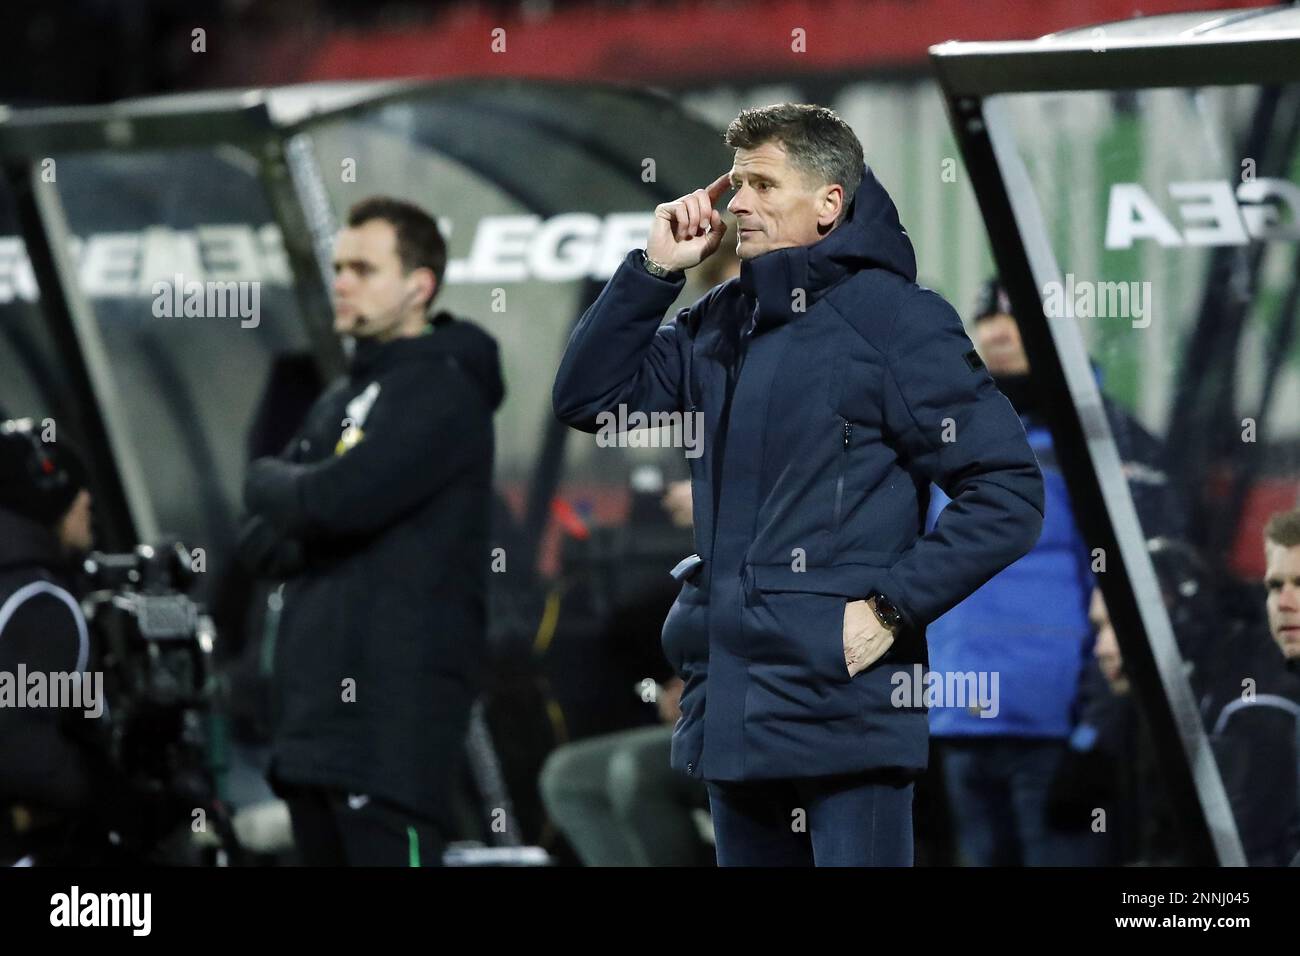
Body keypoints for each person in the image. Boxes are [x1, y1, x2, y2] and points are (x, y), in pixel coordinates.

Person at [553, 104, 1043, 866]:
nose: (737, 202)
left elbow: (1008, 492)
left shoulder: (899, 323)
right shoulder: (720, 319)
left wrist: (891, 606)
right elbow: (589, 401)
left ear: (829, 203)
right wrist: (651, 274)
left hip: (843, 711)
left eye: (761, 184)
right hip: (734, 709)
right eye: (736, 182)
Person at [241, 196, 505, 866]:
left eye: (363, 267)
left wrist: (274, 484)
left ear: (419, 286)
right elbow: (257, 542)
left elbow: (333, 500)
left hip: (391, 729)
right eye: (338, 266)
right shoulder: (339, 397)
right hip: (311, 729)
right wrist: (307, 504)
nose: (343, 281)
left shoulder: (445, 389)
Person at [925, 278, 1181, 866]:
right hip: (958, 720)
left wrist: (1095, 728)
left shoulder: (1104, 440)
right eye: (986, 317)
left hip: (1058, 724)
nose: (996, 330)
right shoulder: (944, 433)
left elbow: (1130, 589)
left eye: (1014, 317)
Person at [0, 419, 113, 864]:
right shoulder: (40, 604)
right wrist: (107, 793)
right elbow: (20, 746)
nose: (87, 501)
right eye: (75, 489)